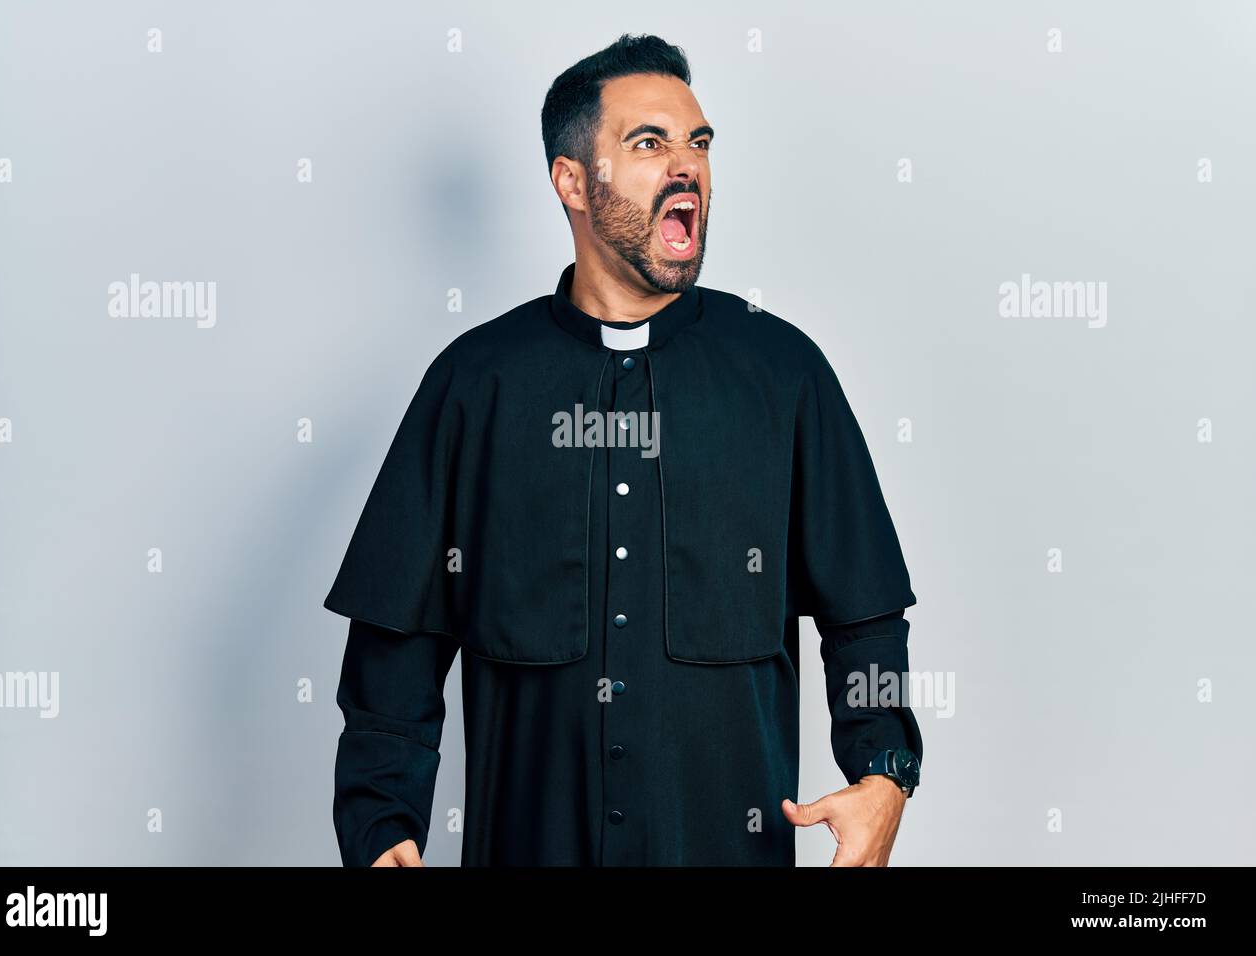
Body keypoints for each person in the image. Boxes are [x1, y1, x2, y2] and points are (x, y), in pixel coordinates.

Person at [324, 33, 921, 867]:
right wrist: (382, 826)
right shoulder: (475, 386)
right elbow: (396, 651)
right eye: (650, 144)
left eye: (699, 144)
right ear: (572, 181)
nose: (688, 167)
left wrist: (885, 774)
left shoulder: (784, 377)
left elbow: (868, 621)